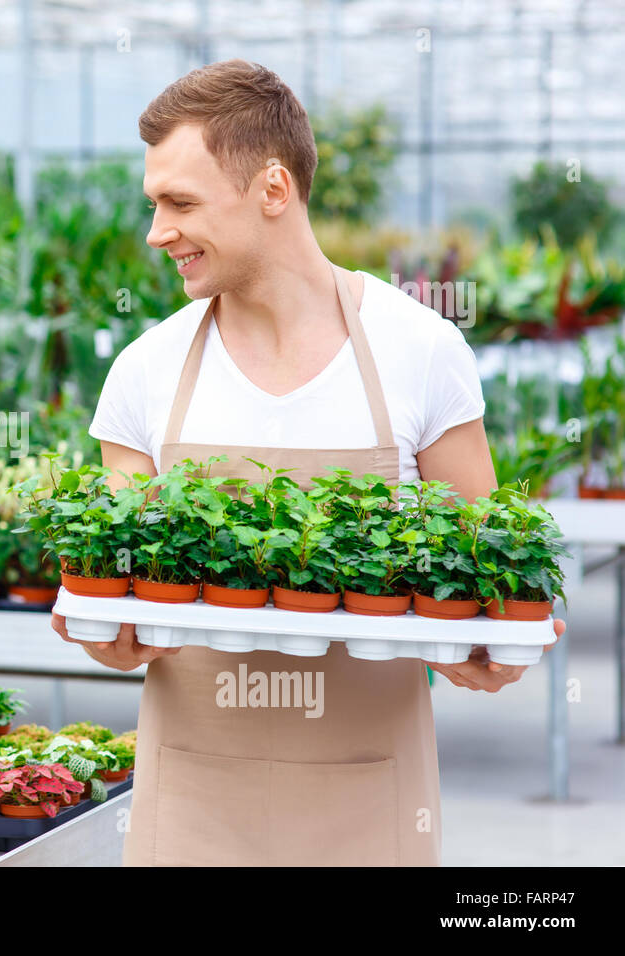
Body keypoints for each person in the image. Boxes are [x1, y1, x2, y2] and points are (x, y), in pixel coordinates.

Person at [52, 59, 565, 866]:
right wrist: (105, 639)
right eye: (154, 204)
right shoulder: (145, 370)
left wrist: (488, 651)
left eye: (180, 203)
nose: (157, 232)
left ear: (273, 188)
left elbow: (485, 570)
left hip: (370, 804)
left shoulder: (420, 350)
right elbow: (116, 586)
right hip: (192, 806)